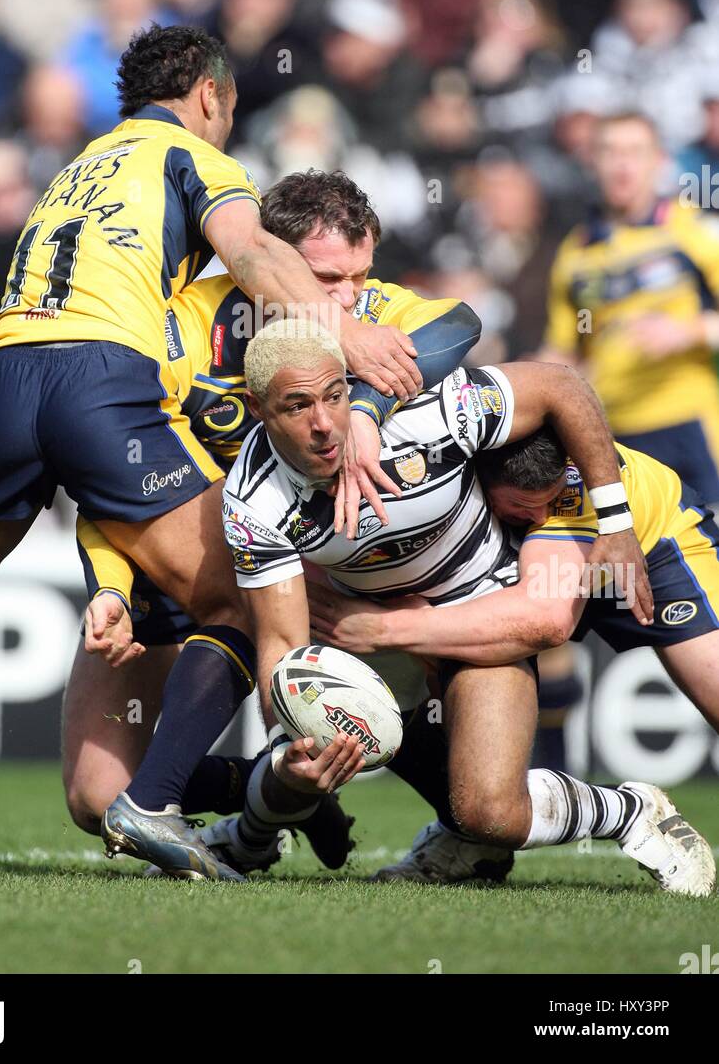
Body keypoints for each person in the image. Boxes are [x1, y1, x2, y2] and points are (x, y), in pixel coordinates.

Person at [0, 25, 421, 884]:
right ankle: (157, 802)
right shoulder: (193, 157)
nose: (226, 125)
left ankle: (244, 795)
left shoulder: (76, 167)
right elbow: (255, 248)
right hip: (99, 375)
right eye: (227, 109)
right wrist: (346, 331)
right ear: (208, 96)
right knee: (239, 591)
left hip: (4, 372)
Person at [201, 320, 711, 898]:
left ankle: (629, 810)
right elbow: (280, 644)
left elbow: (560, 386)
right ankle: (248, 840)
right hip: (374, 629)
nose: (323, 423)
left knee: (491, 812)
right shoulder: (251, 497)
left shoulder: (426, 416)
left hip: (478, 612)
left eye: (335, 396)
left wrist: (616, 522)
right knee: (299, 757)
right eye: (296, 406)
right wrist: (283, 737)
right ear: (257, 409)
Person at [64, 169, 480, 856]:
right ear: (269, 265)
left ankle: (475, 818)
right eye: (326, 281)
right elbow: (111, 485)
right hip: (178, 562)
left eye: (361, 275)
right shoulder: (183, 330)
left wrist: (372, 405)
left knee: (472, 797)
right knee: (91, 798)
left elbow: (458, 323)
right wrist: (109, 584)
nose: (350, 299)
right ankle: (269, 789)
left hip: (300, 572)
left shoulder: (367, 315)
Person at [312, 427, 719, 894]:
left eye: (545, 502)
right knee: (408, 683)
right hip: (526, 577)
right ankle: (472, 836)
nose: (540, 515)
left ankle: (640, 813)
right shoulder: (448, 461)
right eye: (524, 508)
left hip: (654, 551)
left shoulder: (561, 502)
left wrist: (386, 629)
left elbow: (545, 623)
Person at [542, 110, 719, 504]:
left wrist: (689, 330)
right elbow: (564, 351)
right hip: (610, 437)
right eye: (611, 152)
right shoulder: (576, 252)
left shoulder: (693, 228)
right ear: (593, 160)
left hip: (690, 423)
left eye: (636, 152)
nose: (623, 165)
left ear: (658, 161)